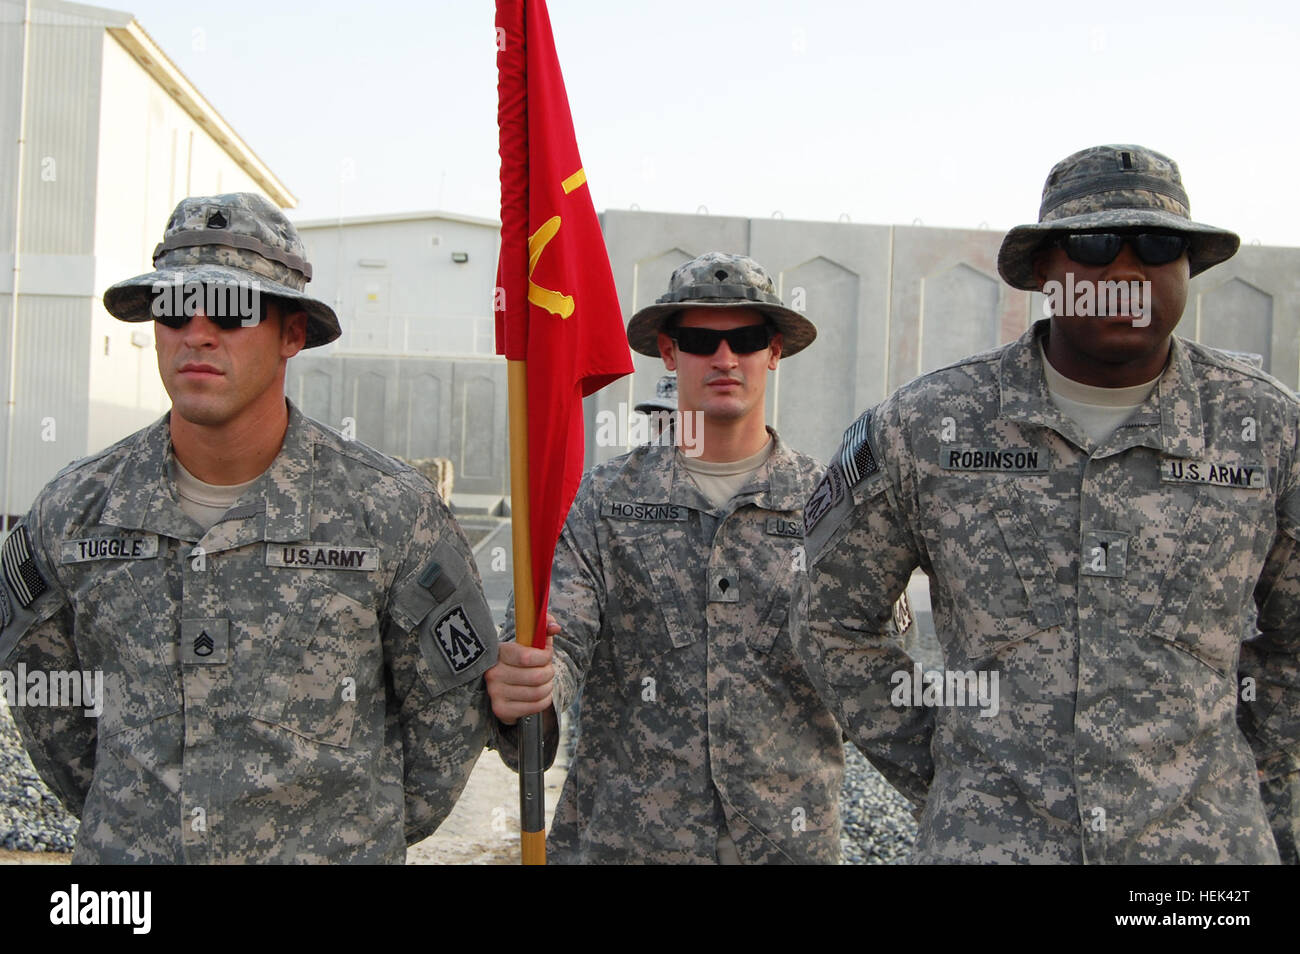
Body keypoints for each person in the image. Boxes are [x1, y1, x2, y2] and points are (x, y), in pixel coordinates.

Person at [796, 144, 1300, 864]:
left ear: (1189, 267)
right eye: (1092, 244)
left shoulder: (1270, 431)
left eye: (1157, 244)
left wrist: (1242, 771)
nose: (1124, 269)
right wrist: (952, 770)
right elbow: (828, 621)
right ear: (1044, 270)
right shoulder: (927, 425)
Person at [0, 193, 498, 863]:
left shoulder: (389, 513)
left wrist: (340, 833)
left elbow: (447, 719)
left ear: (293, 333)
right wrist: (139, 822)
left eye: (233, 311)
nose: (198, 333)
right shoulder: (74, 510)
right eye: (174, 309)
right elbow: (46, 706)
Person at [486, 252, 847, 863]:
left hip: (784, 844)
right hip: (630, 842)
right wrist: (532, 685)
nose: (726, 359)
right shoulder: (607, 500)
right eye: (702, 340)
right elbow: (559, 637)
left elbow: (866, 657)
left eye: (748, 339)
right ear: (670, 352)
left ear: (775, 351)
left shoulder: (829, 505)